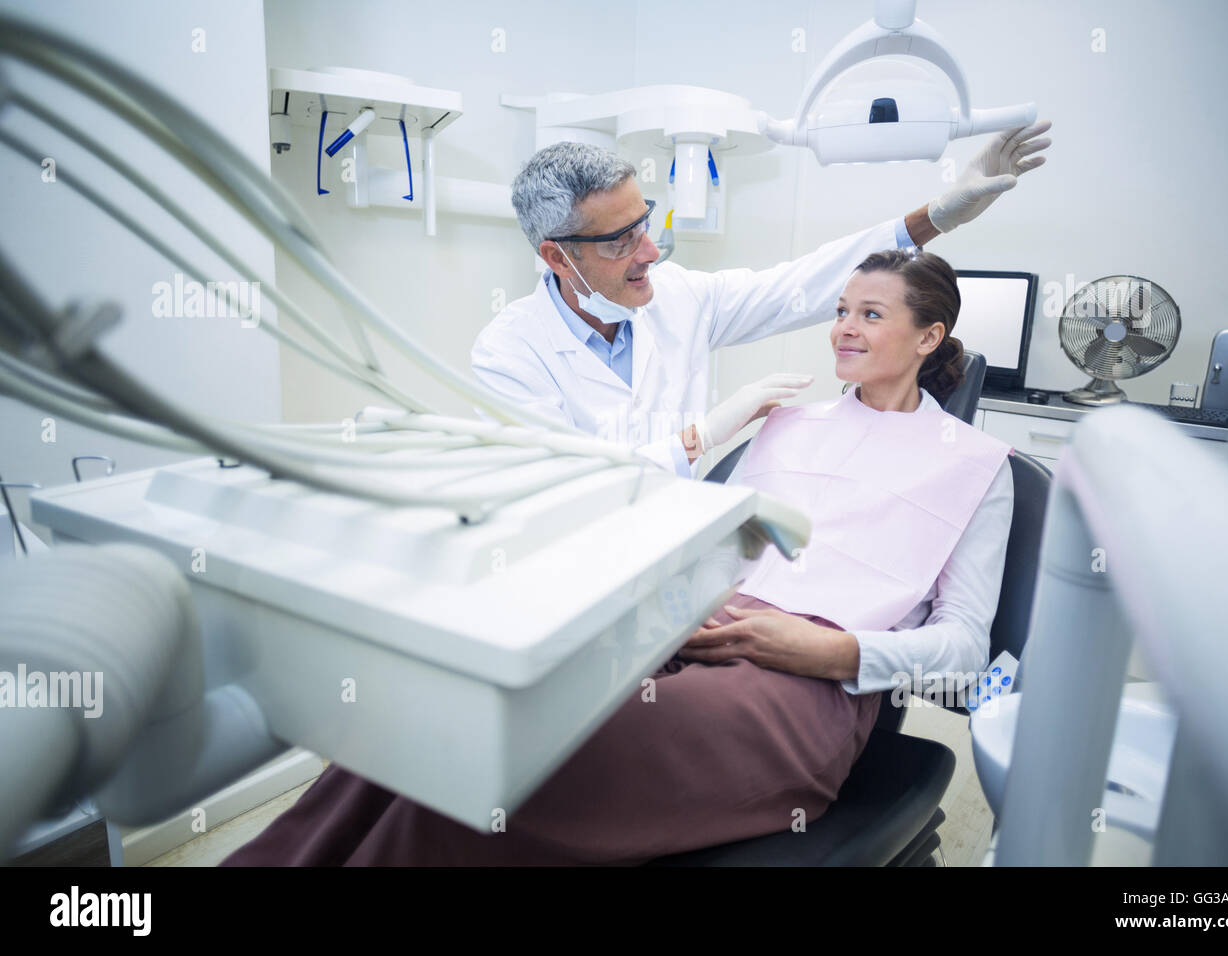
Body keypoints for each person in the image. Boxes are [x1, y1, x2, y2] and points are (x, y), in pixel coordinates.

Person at [220, 249, 1013, 866]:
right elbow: (700, 539)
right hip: (682, 625)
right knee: (436, 723)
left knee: (516, 771)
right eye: (840, 311)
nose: (843, 327)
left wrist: (833, 652)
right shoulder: (786, 425)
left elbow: (965, 648)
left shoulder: (977, 466)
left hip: (804, 684)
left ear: (929, 336)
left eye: (870, 314)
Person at [471, 124, 1049, 475]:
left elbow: (799, 286)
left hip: (677, 550)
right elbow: (564, 493)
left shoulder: (678, 296)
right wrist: (698, 439)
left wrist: (936, 217)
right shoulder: (510, 354)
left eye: (644, 223)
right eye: (621, 241)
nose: (650, 251)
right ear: (557, 257)